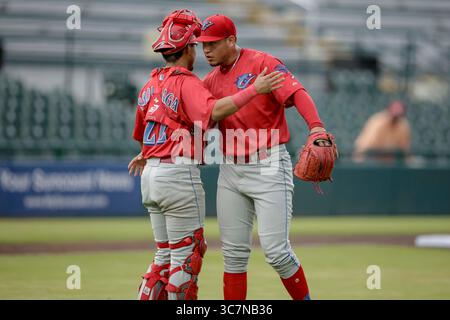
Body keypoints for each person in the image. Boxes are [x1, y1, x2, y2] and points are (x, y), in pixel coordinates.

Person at [127, 9, 284, 300]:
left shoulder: (149, 85)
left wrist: (144, 154)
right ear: (187, 49)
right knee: (186, 259)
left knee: (163, 257)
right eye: (196, 45)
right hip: (177, 175)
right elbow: (213, 111)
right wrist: (254, 89)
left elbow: (141, 132)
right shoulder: (187, 82)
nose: (200, 50)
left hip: (149, 174)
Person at [196, 14, 332, 300]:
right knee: (233, 256)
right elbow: (196, 120)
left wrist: (316, 125)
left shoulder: (263, 63)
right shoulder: (209, 80)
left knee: (277, 253)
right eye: (202, 44)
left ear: (231, 40)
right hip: (230, 169)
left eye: (212, 43)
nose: (205, 49)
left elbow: (297, 94)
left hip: (268, 164)